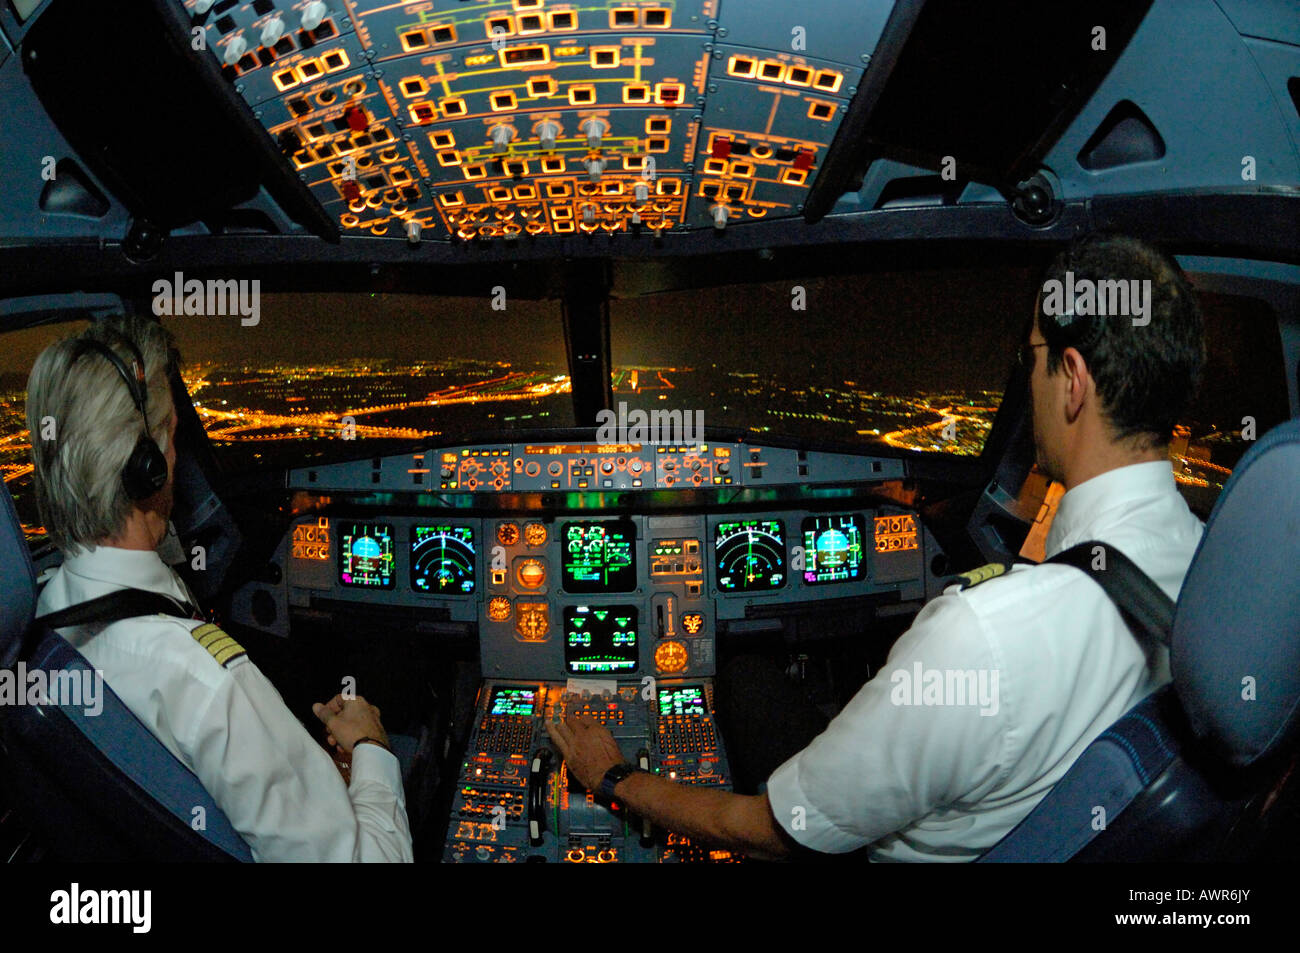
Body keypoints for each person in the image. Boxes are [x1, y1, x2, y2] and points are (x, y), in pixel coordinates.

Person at [549, 234, 1207, 861]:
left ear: (1073, 379)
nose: (1025, 375)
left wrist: (610, 774)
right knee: (745, 671)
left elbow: (769, 829)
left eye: (1028, 357)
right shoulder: (1215, 573)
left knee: (741, 671)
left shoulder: (983, 634)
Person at [27, 314, 413, 862]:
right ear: (148, 466)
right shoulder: (206, 681)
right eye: (173, 438)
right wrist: (372, 748)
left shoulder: (45, 613)